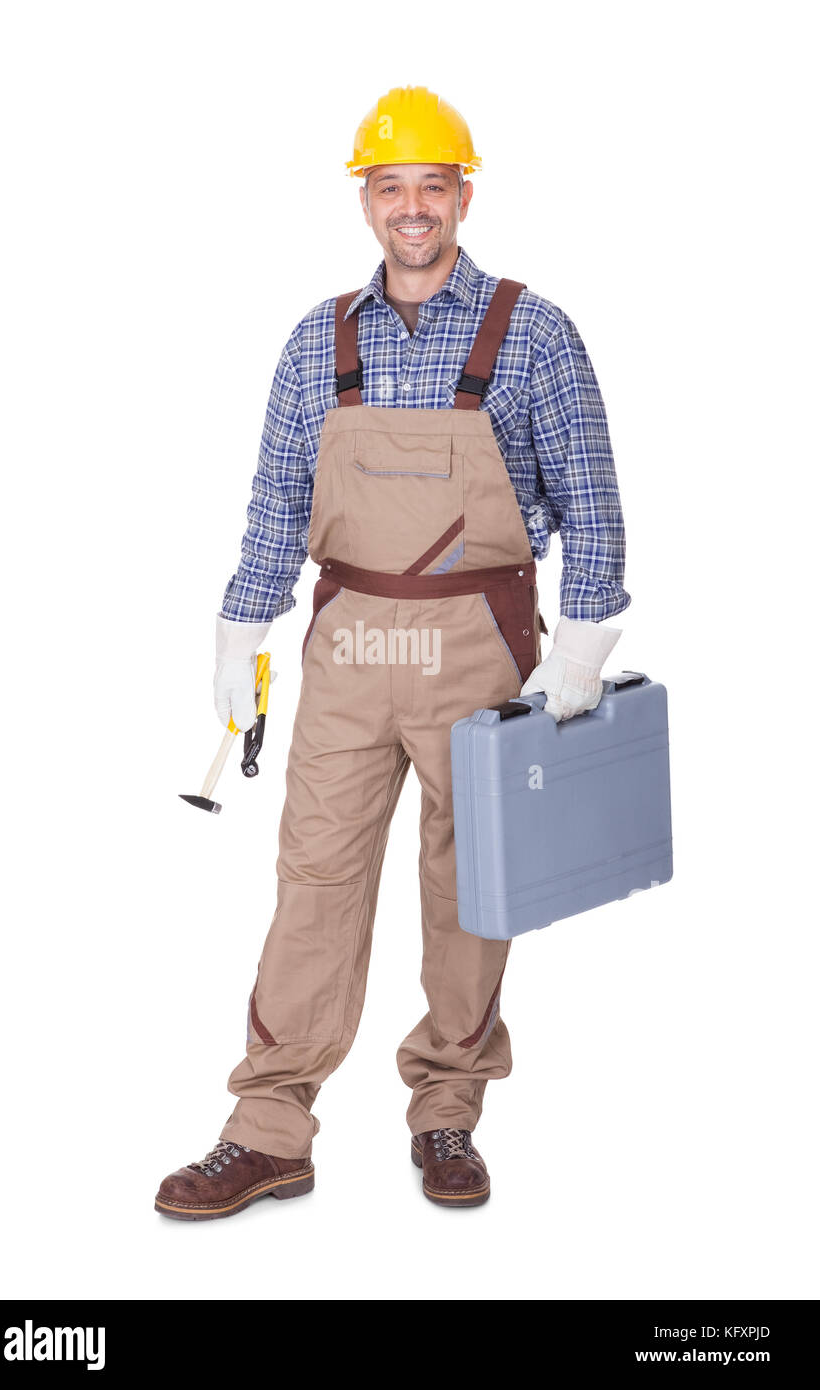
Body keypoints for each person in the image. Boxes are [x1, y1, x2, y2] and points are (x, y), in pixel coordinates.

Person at [155, 85, 629, 1220]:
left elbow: (594, 509)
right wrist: (239, 628)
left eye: (431, 185)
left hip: (482, 650)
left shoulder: (533, 332)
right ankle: (268, 1126)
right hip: (349, 649)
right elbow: (276, 499)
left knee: (468, 887)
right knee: (313, 880)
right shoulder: (319, 339)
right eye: (389, 187)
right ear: (364, 198)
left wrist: (576, 656)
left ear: (464, 191)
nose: (410, 208)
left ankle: (447, 1114)